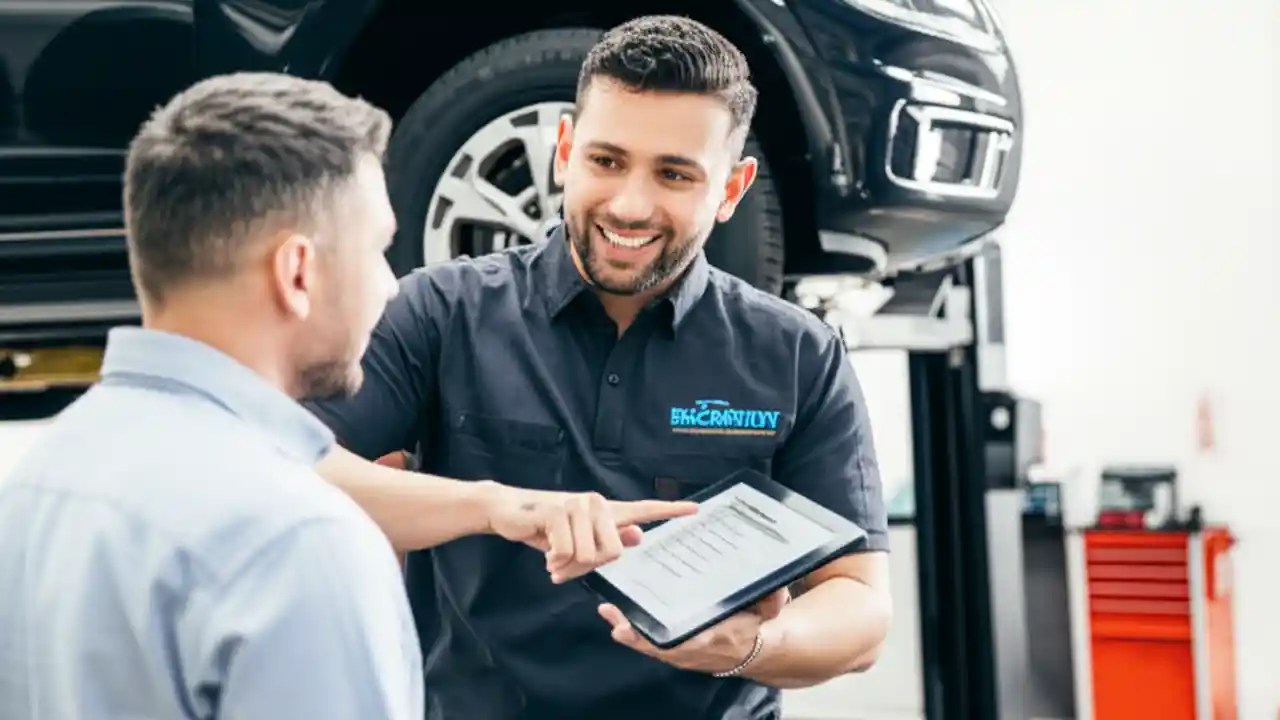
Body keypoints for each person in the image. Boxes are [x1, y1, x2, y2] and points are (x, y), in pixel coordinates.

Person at [0, 72, 693, 719]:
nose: (391, 286)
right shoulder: (303, 540)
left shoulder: (38, 482)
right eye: (376, 250)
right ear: (297, 271)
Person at [307, 14, 893, 720]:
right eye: (606, 161)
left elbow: (859, 607)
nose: (630, 204)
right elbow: (294, 469)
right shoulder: (442, 311)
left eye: (675, 174)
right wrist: (500, 506)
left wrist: (754, 644)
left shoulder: (797, 354)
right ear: (564, 150)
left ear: (732, 189)